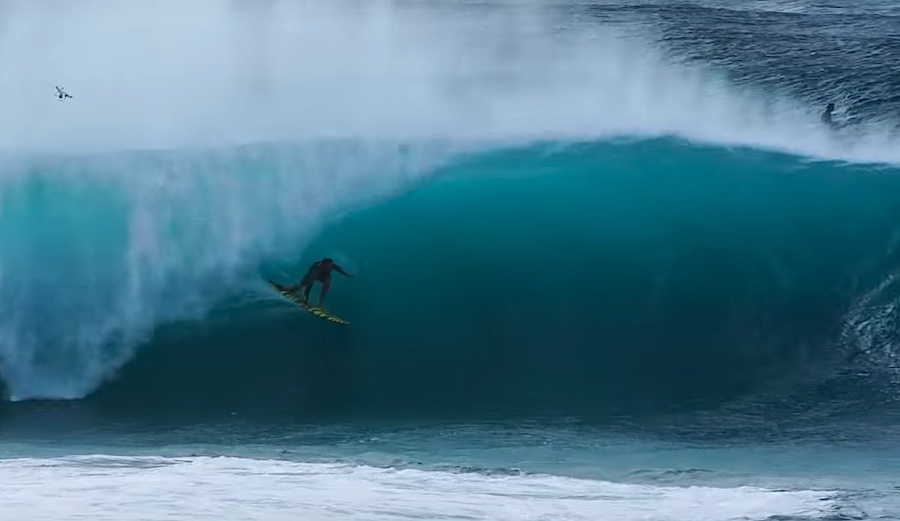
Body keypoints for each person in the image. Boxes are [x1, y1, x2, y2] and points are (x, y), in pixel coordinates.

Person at [287, 258, 351, 307]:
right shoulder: (317, 266)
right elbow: (308, 277)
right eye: (327, 265)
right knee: (307, 283)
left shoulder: (333, 266)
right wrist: (306, 293)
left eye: (329, 265)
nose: (328, 267)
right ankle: (294, 291)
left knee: (327, 283)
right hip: (315, 274)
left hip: (324, 277)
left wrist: (346, 275)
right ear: (323, 264)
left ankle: (320, 304)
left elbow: (340, 270)